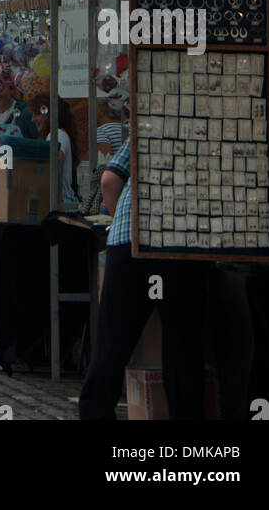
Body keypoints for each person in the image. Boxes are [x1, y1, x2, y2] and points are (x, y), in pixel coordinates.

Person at [78, 136, 208, 419]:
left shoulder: (146, 121)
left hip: (131, 241)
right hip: (180, 244)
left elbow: (109, 181)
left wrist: (123, 220)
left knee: (111, 348)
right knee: (182, 352)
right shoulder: (206, 132)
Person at [0, 70, 39, 200]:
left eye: (0, 88)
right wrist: (7, 163)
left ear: (12, 89)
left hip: (23, 184)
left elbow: (38, 149)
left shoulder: (25, 114)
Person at [30, 92, 79, 211]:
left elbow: (56, 156)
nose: (33, 119)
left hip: (60, 204)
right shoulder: (56, 134)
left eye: (37, 114)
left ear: (50, 114)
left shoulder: (57, 134)